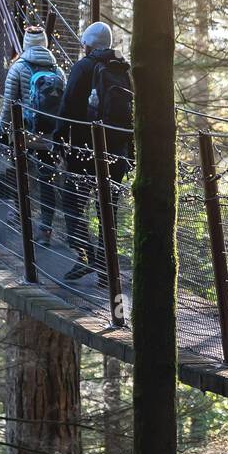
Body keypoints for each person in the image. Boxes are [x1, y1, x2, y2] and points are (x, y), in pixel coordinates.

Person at [56, 22, 133, 283]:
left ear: (87, 44)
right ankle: (104, 269)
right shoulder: (122, 68)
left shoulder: (83, 67)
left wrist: (59, 138)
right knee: (106, 210)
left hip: (84, 150)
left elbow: (67, 106)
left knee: (71, 202)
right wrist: (129, 151)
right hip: (117, 151)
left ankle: (85, 255)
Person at [2, 25, 64, 244]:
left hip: (24, 133)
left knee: (19, 172)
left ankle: (19, 215)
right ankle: (46, 228)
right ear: (45, 43)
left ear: (26, 43)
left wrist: (2, 128)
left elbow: (9, 103)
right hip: (49, 135)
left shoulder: (18, 67)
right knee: (47, 179)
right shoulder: (57, 70)